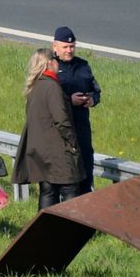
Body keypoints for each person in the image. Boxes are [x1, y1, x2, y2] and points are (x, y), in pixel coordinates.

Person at [12, 48, 86, 209]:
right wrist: (72, 143)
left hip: (40, 151)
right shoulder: (53, 88)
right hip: (57, 151)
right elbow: (62, 120)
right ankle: (71, 231)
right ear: (50, 63)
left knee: (47, 191)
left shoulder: (34, 87)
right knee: (70, 190)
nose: (58, 63)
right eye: (55, 60)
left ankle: (43, 229)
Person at [52, 26, 102, 191]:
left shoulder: (83, 66)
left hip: (81, 126)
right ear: (55, 47)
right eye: (65, 47)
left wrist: (92, 100)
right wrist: (69, 101)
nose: (69, 50)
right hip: (59, 128)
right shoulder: (49, 66)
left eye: (72, 47)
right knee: (65, 172)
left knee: (86, 164)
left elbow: (96, 91)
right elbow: (47, 98)